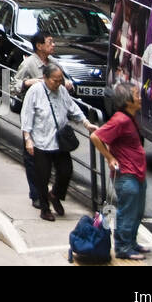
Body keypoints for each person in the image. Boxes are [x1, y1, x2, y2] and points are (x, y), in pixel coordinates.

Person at [22, 62, 98, 221]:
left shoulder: (62, 91)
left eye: (60, 80)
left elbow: (73, 108)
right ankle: (44, 208)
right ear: (45, 78)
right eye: (54, 81)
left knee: (66, 171)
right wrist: (28, 139)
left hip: (59, 142)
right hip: (41, 142)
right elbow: (27, 116)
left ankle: (55, 194)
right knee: (42, 177)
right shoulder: (35, 92)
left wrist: (86, 123)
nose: (57, 84)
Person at [10, 33, 73, 209]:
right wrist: (30, 82)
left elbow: (66, 81)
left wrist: (67, 84)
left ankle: (54, 195)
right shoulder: (29, 63)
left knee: (61, 162)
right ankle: (37, 195)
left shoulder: (53, 63)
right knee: (33, 160)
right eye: (49, 42)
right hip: (34, 118)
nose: (53, 45)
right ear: (39, 45)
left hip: (53, 121)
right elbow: (14, 86)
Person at [91, 81, 149, 261]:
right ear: (127, 100)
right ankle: (123, 247)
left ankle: (131, 242)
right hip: (126, 175)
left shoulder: (129, 117)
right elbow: (96, 136)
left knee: (137, 211)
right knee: (128, 211)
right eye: (136, 94)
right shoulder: (120, 119)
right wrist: (110, 157)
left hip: (137, 173)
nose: (140, 97)